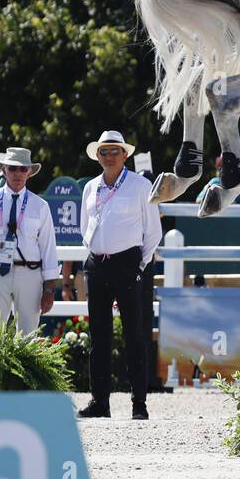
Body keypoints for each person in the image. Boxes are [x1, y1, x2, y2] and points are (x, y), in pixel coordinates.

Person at [78, 131, 162, 421]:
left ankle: (139, 402)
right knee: (98, 336)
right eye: (104, 151)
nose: (109, 156)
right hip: (97, 263)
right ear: (98, 156)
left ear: (125, 155)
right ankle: (100, 401)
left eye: (115, 151)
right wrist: (91, 256)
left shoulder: (140, 185)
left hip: (128, 262)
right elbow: (84, 226)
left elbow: (153, 231)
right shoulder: (90, 187)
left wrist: (139, 265)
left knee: (134, 334)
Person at [0, 147, 58, 335]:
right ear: (4, 170)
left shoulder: (41, 206)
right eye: (13, 168)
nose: (18, 173)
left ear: (29, 172)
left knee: (28, 333)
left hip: (30, 273)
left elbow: (48, 249)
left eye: (23, 169)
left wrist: (49, 290)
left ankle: (27, 366)